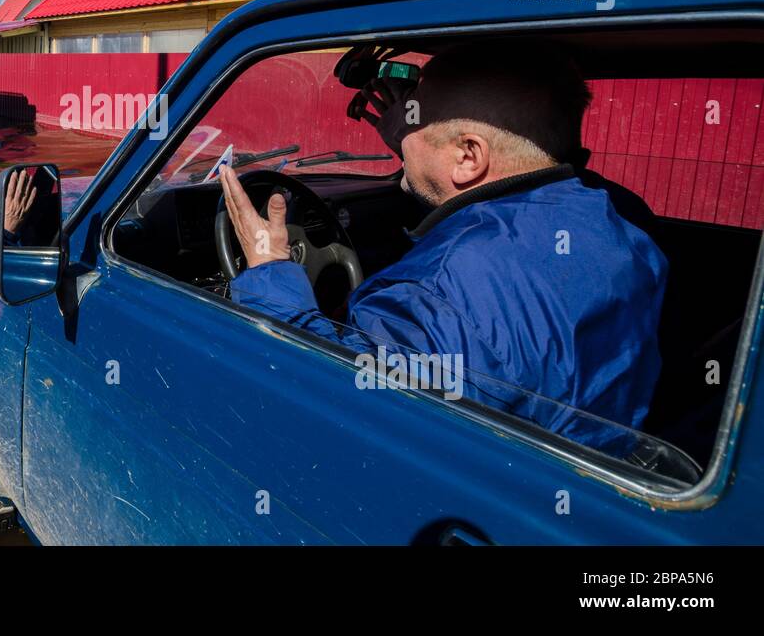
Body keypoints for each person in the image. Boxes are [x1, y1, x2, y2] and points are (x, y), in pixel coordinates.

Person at [220, 41, 667, 453]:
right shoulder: (624, 220)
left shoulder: (441, 296)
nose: (401, 124)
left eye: (412, 116)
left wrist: (271, 271)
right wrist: (421, 145)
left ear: (469, 156)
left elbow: (328, 400)